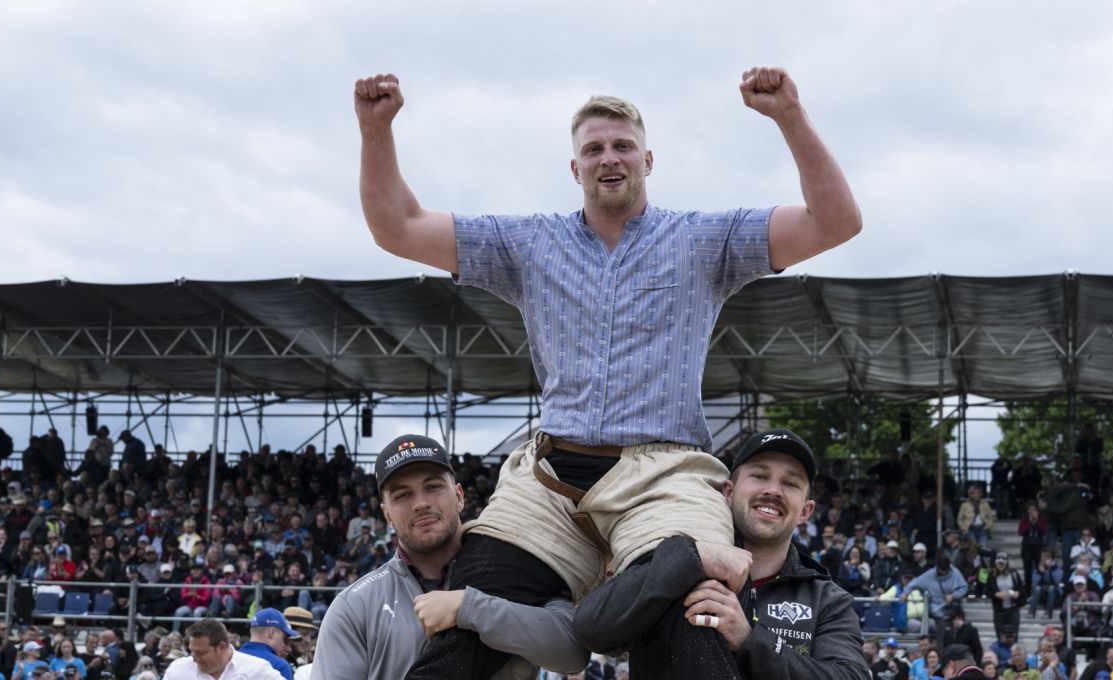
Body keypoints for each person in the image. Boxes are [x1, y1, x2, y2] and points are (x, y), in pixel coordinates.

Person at [353, 63, 861, 679]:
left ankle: (686, 569)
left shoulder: (702, 239)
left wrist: (789, 115)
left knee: (697, 614)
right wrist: (375, 130)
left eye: (623, 146)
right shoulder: (530, 243)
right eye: (593, 149)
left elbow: (836, 221)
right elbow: (398, 228)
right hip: (550, 476)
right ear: (575, 169)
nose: (609, 158)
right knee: (471, 608)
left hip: (664, 474)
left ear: (648, 161)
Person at [571, 429, 871, 679]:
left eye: (790, 483)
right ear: (728, 492)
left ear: (805, 511)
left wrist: (751, 640)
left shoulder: (827, 600)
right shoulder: (680, 563)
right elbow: (592, 629)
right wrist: (693, 557)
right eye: (760, 475)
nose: (774, 490)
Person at [312, 435, 588, 679]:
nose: (421, 503)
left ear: (459, 496)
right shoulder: (354, 606)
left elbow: (573, 652)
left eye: (433, 487)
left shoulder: (513, 565)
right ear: (387, 515)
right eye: (402, 495)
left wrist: (470, 608)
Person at [162, 619, 282, 680]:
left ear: (222, 647)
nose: (194, 658)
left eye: (200, 653)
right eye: (191, 651)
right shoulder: (178, 670)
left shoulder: (257, 669)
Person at [238, 609, 297, 680]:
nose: (284, 645)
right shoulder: (279, 666)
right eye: (284, 638)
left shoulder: (232, 658)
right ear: (272, 633)